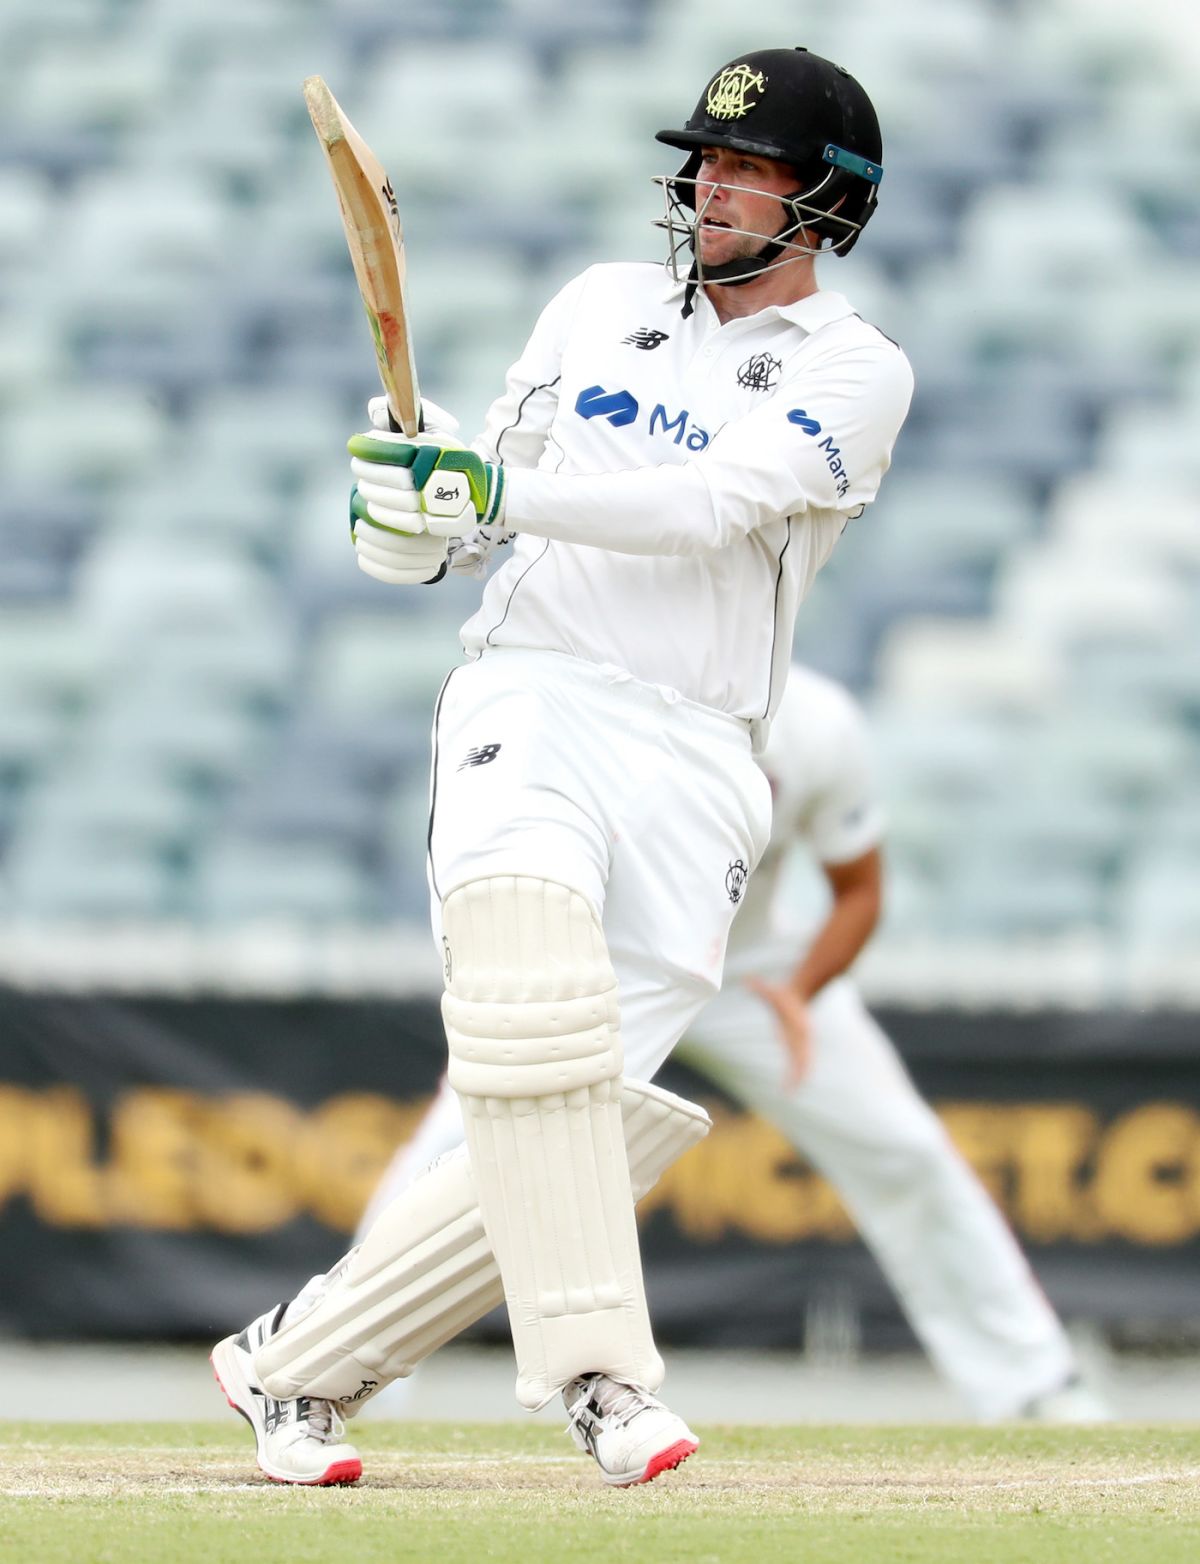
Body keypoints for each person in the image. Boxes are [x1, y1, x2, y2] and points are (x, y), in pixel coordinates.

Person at [211, 46, 914, 1487]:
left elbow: (711, 505)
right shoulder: (597, 304)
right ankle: (604, 1381)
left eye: (750, 168)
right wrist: (418, 520)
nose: (712, 186)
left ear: (827, 201)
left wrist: (495, 489)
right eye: (705, 162)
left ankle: (294, 1366)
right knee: (534, 1014)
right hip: (531, 695)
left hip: (706, 754)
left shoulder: (858, 370)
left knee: (562, 1121)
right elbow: (483, 526)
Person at [358, 664, 1112, 1424]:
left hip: (754, 975)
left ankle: (1032, 1387)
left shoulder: (820, 724)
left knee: (906, 1151)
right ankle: (349, 1376)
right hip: (609, 964)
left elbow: (860, 891)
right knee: (459, 1150)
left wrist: (800, 990)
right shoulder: (603, 699)